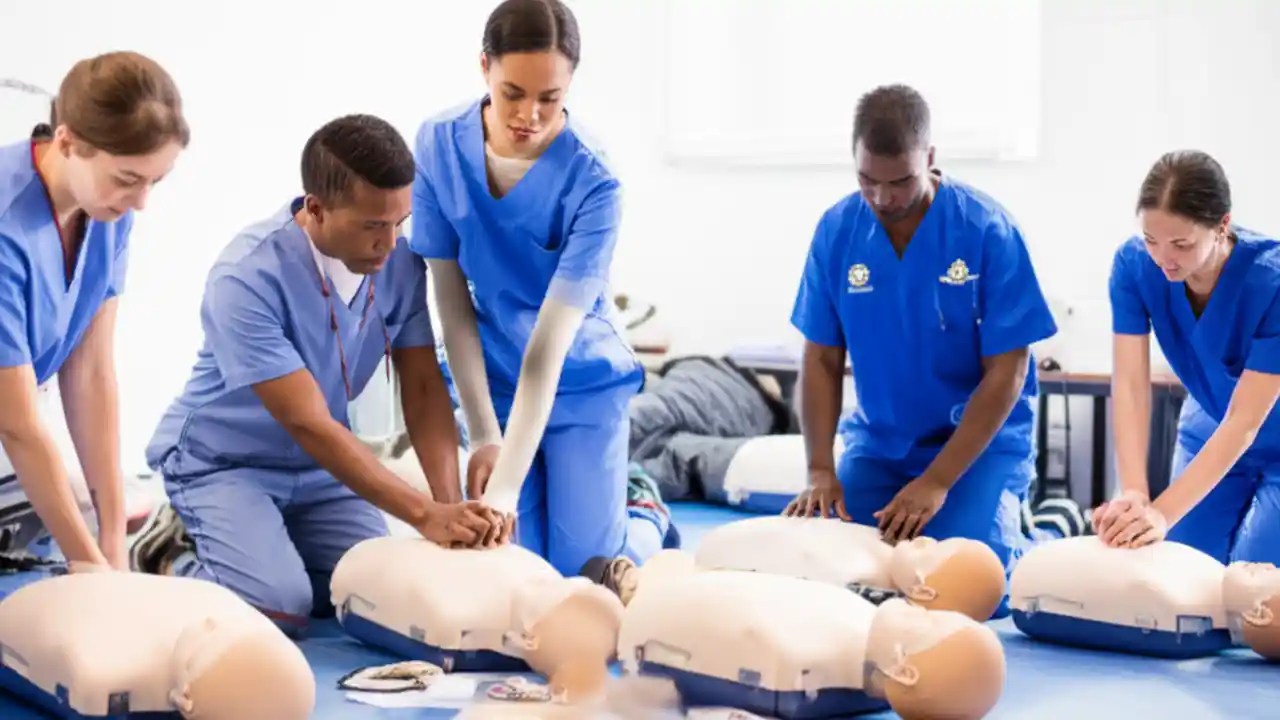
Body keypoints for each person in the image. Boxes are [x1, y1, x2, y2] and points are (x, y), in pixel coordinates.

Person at [132, 114, 509, 634]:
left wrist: (449, 510)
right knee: (279, 609)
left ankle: (260, 548)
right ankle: (172, 552)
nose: (391, 242)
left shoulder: (399, 262)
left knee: (372, 591)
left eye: (401, 222)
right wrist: (423, 517)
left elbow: (422, 386)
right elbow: (307, 421)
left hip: (320, 471)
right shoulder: (247, 276)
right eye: (374, 226)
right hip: (222, 463)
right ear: (316, 208)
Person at [410, 0, 677, 579]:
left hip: (581, 381)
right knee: (513, 573)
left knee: (583, 573)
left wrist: (502, 491)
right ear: (485, 68)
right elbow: (452, 303)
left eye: (549, 98)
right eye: (513, 93)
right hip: (497, 381)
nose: (529, 114)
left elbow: (547, 350)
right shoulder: (436, 145)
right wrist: (484, 435)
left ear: (570, 86)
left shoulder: (595, 181)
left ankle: (645, 509)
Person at [781, 84, 1059, 613]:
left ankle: (1040, 531)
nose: (884, 197)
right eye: (868, 180)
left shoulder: (986, 229)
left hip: (977, 450)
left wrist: (936, 482)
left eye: (901, 181)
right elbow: (820, 357)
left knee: (971, 588)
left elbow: (1009, 371)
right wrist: (820, 469)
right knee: (828, 571)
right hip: (884, 447)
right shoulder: (838, 230)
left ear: (930, 160)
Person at [0, 52, 188, 571]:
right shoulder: (4, 223)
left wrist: (110, 544)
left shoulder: (107, 207)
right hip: (9, 414)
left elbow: (90, 373)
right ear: (67, 142)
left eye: (156, 180)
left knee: (98, 510)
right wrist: (91, 571)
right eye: (128, 178)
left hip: (12, 410)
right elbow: (16, 423)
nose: (142, 201)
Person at [1093, 150, 1280, 565]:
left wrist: (1162, 511)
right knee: (1183, 573)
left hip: (1262, 430)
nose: (1164, 258)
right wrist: (1136, 495)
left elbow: (1244, 422)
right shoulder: (1134, 265)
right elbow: (1129, 385)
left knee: (1256, 590)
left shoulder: (1272, 281)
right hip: (1209, 426)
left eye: (1182, 243)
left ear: (1222, 226)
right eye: (1151, 240)